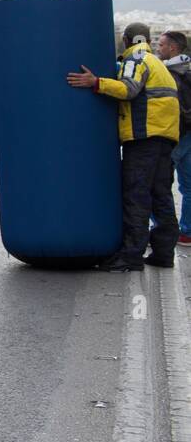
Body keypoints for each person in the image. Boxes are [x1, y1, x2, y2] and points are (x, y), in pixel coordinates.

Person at [67, 22, 180, 271]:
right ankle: (163, 252)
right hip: (165, 138)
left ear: (128, 40)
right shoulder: (157, 62)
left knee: (136, 195)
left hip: (143, 139)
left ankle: (130, 256)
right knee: (161, 196)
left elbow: (129, 89)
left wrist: (95, 83)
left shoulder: (135, 59)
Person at [156, 30, 191, 246]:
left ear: (172, 48)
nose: (158, 49)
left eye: (161, 45)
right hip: (190, 135)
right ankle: (186, 232)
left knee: (158, 184)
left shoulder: (167, 73)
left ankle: (162, 230)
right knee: (188, 186)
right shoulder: (188, 69)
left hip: (175, 134)